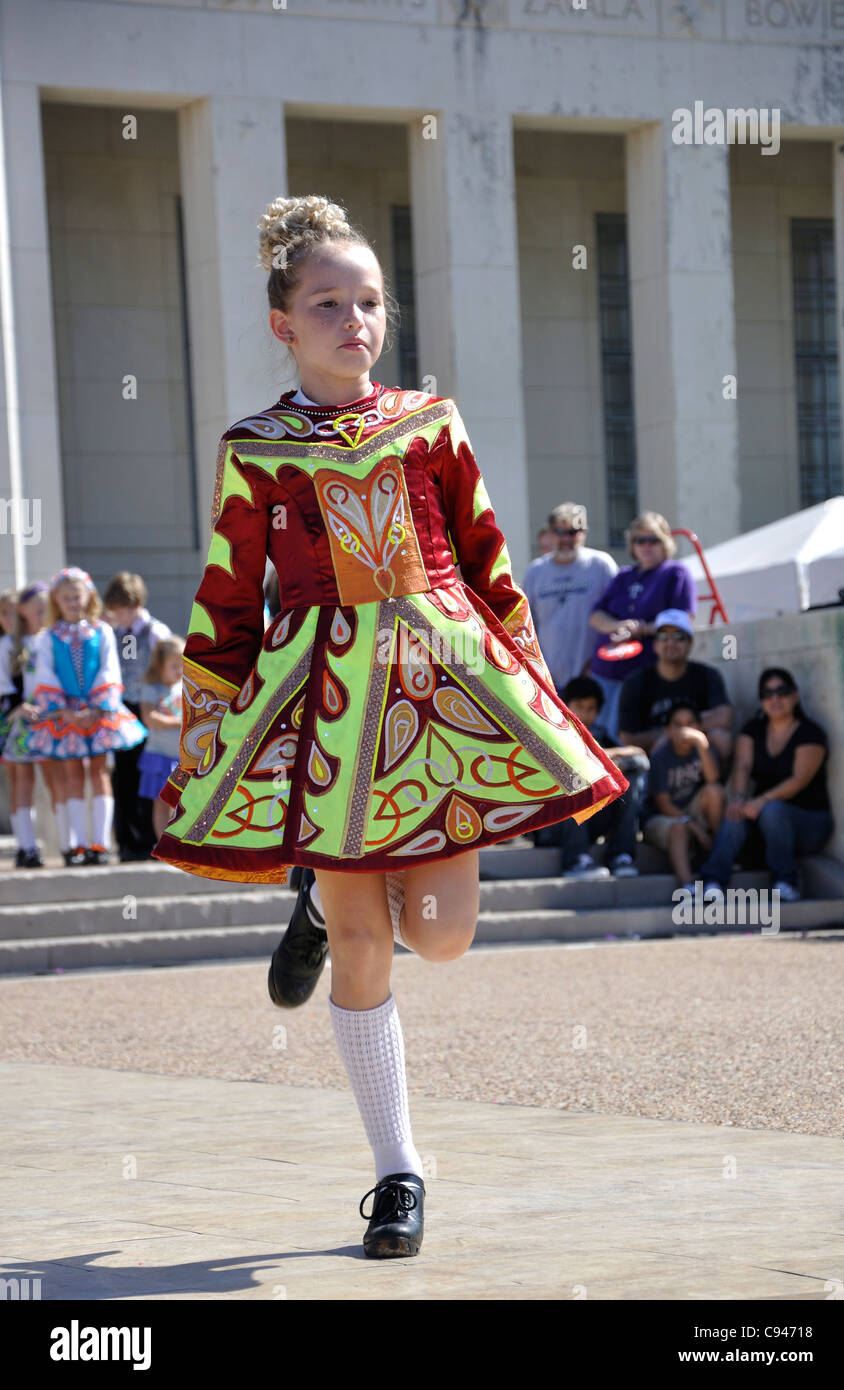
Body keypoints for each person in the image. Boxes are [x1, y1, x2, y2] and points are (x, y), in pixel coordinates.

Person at [151, 193, 628, 1260]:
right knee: (372, 941)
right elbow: (229, 598)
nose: (353, 319)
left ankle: (314, 907)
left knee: (444, 934)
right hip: (322, 706)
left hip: (441, 696)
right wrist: (207, 727)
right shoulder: (258, 448)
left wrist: (529, 691)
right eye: (327, 302)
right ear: (283, 321)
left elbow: (490, 557)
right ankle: (397, 1171)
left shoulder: (432, 423)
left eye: (368, 301)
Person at [23, 568, 147, 865]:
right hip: (66, 715)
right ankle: (78, 845)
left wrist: (98, 707)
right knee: (73, 774)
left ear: (88, 596)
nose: (72, 602)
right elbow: (46, 673)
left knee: (100, 772)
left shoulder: (101, 630)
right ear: (56, 600)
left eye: (76, 596)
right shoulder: (49, 637)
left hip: (97, 712)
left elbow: (108, 668)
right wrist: (64, 711)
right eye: (65, 597)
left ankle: (100, 844)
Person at [695, 668, 834, 904]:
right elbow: (742, 767)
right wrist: (739, 799)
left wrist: (762, 801)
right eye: (767, 693)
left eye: (782, 691)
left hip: (810, 823)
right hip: (765, 820)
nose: (775, 699)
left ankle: (786, 882)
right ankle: (713, 881)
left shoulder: (811, 733)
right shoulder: (753, 730)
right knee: (736, 813)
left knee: (773, 810)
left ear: (795, 695)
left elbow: (798, 781)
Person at [587, 512, 697, 741]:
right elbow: (596, 616)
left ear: (665, 542)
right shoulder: (624, 575)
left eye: (653, 539)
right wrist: (618, 625)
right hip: (604, 673)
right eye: (639, 540)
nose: (646, 546)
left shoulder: (675, 573)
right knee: (596, 745)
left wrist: (641, 628)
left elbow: (682, 620)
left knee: (627, 741)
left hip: (643, 675)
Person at [532, 676, 648, 879]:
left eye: (591, 708)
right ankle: (576, 862)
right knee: (573, 775)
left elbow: (641, 762)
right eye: (579, 706)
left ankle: (621, 855)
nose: (585, 714)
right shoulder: (550, 733)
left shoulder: (600, 735)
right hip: (553, 825)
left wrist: (608, 759)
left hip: (591, 821)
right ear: (564, 706)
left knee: (630, 782)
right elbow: (571, 763)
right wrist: (607, 759)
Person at [103, 573, 172, 861]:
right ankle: (127, 841)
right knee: (124, 775)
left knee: (150, 775)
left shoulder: (156, 632)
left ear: (139, 604)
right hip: (124, 708)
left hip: (150, 707)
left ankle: (148, 840)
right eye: (117, 608)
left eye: (126, 608)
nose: (121, 614)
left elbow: (168, 670)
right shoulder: (116, 633)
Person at [0, 580, 66, 867]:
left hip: (50, 721)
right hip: (21, 723)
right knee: (21, 783)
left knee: (57, 782)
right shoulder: (6, 645)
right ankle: (27, 847)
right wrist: (19, 707)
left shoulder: (50, 639)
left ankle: (68, 845)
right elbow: (4, 684)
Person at [522, 502, 618, 692]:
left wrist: (599, 661)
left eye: (573, 532)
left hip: (594, 674)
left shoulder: (601, 565)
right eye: (559, 531)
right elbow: (526, 625)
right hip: (549, 679)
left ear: (584, 533)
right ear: (549, 533)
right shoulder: (536, 571)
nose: (566, 538)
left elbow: (616, 615)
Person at [617, 609, 733, 763]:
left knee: (722, 738)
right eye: (664, 636)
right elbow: (627, 736)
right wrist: (669, 736)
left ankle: (714, 786)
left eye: (679, 636)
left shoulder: (707, 675)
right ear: (655, 644)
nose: (671, 643)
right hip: (654, 760)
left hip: (699, 753)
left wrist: (683, 734)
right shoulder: (635, 681)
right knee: (659, 746)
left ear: (690, 643)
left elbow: (725, 716)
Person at [641, 700, 725, 896]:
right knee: (679, 827)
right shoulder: (661, 757)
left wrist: (701, 744)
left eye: (690, 724)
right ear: (668, 730)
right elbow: (664, 805)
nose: (685, 730)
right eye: (678, 725)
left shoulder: (702, 749)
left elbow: (713, 780)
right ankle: (688, 885)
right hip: (664, 818)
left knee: (715, 792)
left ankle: (718, 858)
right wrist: (693, 826)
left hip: (693, 809)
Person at [139, 636, 184, 842]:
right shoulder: (151, 688)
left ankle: (179, 843)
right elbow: (150, 718)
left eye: (182, 665)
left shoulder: (185, 686)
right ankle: (163, 842)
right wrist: (179, 722)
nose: (180, 670)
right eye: (174, 665)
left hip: (182, 758)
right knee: (160, 803)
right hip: (159, 756)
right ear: (160, 666)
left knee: (181, 804)